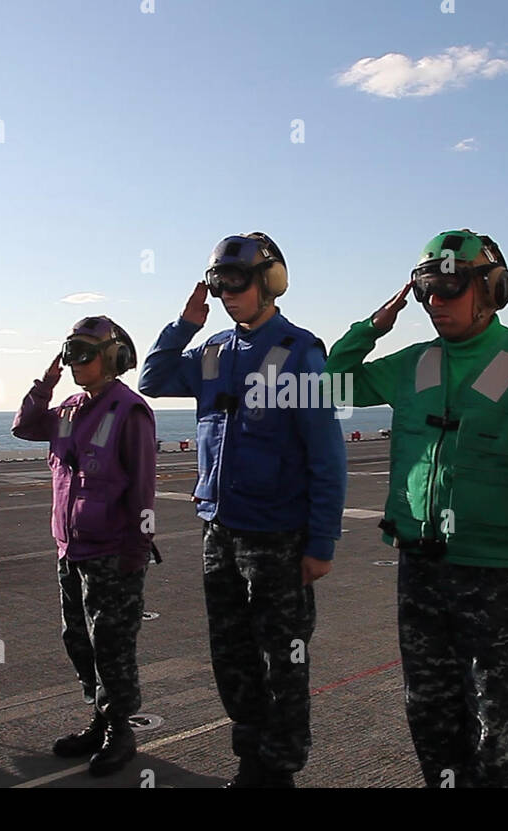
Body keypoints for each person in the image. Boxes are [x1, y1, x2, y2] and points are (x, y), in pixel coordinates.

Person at [324, 229, 508, 788]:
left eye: (449, 287)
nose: (436, 303)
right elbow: (334, 384)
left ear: (492, 288)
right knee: (430, 713)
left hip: (499, 576)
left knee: (500, 726)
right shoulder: (414, 364)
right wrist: (373, 326)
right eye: (426, 291)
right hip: (421, 570)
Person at [139, 232, 347, 788]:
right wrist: (185, 323)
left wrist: (322, 541)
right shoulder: (211, 353)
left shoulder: (299, 352)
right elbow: (152, 379)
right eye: (219, 284)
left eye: (238, 283)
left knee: (283, 659)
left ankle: (278, 768)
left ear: (270, 282)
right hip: (220, 531)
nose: (228, 294)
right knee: (230, 653)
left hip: (278, 535)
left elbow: (326, 452)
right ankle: (251, 756)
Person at [12, 315, 155, 777]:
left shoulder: (129, 411)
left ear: (111, 358)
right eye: (70, 352)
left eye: (84, 354)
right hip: (70, 550)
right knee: (79, 640)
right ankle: (99, 718)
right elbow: (25, 426)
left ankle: (120, 730)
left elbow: (143, 490)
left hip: (113, 552)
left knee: (112, 645)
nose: (75, 362)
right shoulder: (69, 409)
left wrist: (135, 553)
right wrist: (44, 386)